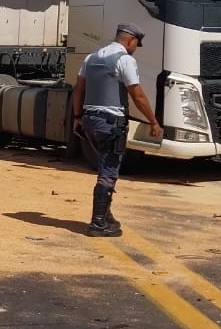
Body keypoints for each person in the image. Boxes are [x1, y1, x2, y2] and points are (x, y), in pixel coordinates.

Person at [70, 23, 163, 237]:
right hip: (110, 122)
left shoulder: (91, 58)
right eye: (136, 45)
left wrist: (77, 117)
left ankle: (106, 216)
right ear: (130, 41)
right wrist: (153, 121)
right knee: (108, 172)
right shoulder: (125, 60)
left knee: (105, 165)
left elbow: (79, 89)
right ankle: (98, 223)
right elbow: (137, 94)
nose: (135, 49)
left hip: (89, 120)